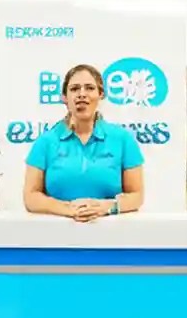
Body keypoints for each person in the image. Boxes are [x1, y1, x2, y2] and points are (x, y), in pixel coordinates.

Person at [23, 64, 145, 222]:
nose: (82, 94)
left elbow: (137, 196)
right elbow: (31, 198)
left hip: (112, 238)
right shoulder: (45, 143)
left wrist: (107, 207)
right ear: (64, 98)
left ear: (101, 94)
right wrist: (68, 209)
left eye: (89, 88)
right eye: (74, 89)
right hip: (55, 239)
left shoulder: (123, 139)